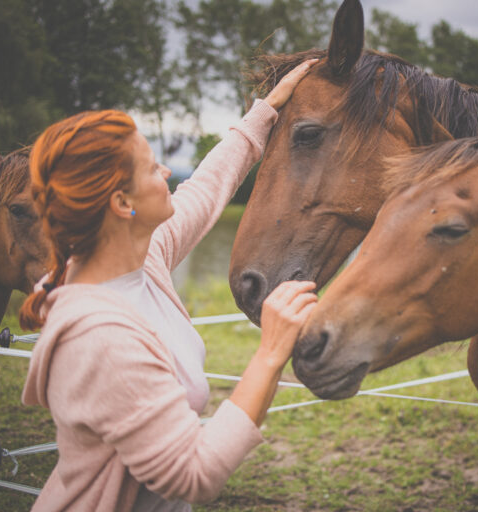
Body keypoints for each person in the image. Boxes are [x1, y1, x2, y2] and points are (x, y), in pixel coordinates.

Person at [19, 59, 320, 512]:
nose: (165, 173)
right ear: (122, 203)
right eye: (150, 168)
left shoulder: (143, 259)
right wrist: (271, 353)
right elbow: (193, 476)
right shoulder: (100, 340)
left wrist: (265, 112)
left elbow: (204, 189)